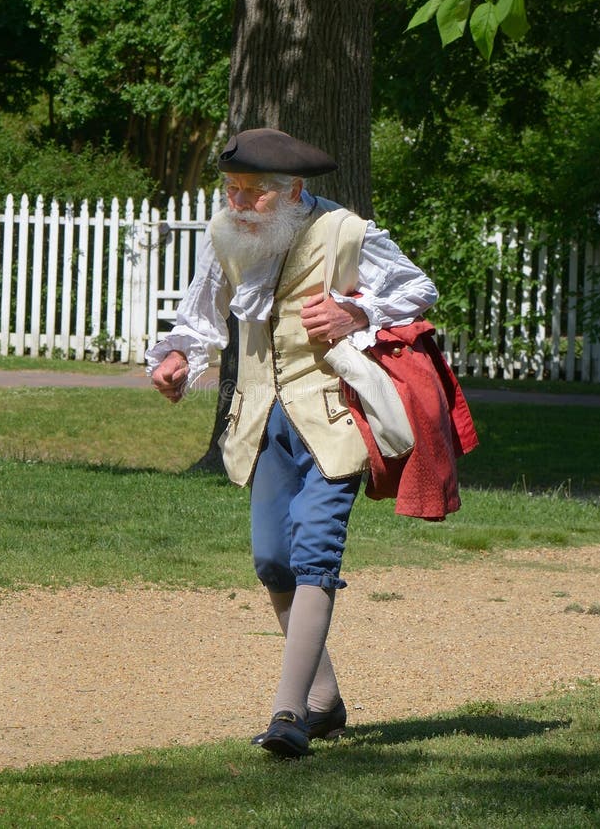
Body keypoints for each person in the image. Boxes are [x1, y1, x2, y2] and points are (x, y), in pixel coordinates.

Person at [146, 128, 438, 758]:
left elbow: (418, 290)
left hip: (335, 421)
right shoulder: (226, 236)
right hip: (263, 422)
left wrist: (355, 314)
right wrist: (174, 358)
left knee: (313, 551)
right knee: (272, 560)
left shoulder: (348, 234)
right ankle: (327, 702)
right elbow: (199, 317)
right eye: (231, 189)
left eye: (253, 193)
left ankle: (290, 714)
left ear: (294, 191)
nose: (238, 203)